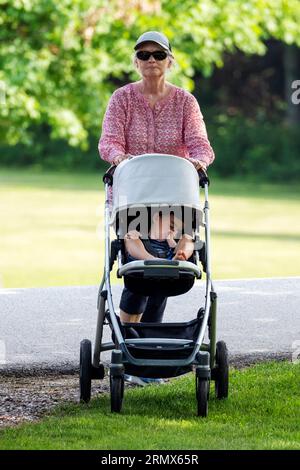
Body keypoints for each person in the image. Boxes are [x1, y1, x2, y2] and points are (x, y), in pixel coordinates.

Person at [99, 30, 215, 324]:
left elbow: (202, 146)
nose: (151, 60)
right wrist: (118, 157)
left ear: (170, 61)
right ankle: (130, 336)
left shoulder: (186, 102)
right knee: (139, 269)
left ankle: (151, 341)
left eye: (159, 54)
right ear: (136, 62)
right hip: (132, 199)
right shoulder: (121, 98)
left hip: (172, 200)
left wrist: (198, 162)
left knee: (164, 270)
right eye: (144, 55)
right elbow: (109, 142)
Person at [120, 211, 195, 323]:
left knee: (188, 238)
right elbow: (130, 240)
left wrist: (174, 245)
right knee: (131, 236)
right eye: (171, 225)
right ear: (156, 217)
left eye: (176, 230)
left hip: (167, 277)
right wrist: (151, 259)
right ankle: (151, 260)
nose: (173, 231)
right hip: (138, 276)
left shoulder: (173, 244)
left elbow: (185, 240)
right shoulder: (139, 235)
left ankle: (179, 260)